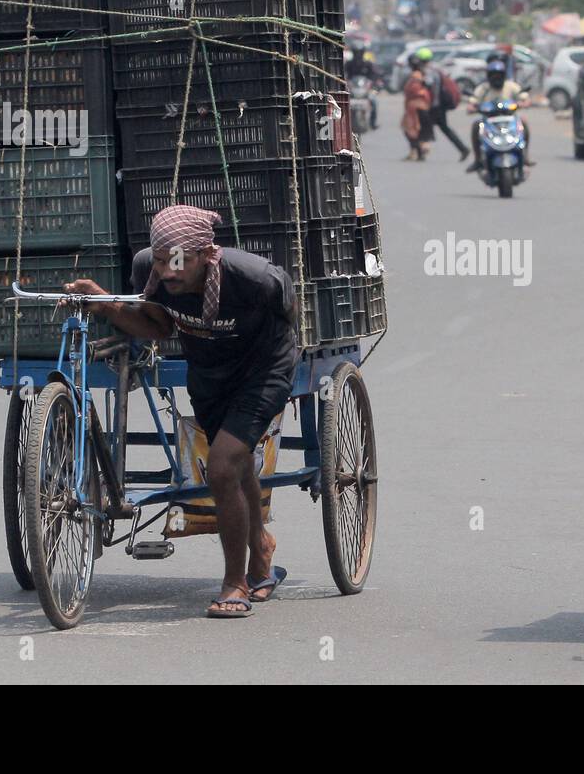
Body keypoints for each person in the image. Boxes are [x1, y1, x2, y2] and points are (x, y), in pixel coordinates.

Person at [65, 205, 299, 618]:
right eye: (160, 261)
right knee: (236, 457)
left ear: (207, 255)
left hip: (262, 371)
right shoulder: (148, 270)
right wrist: (105, 305)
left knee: (223, 466)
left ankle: (235, 583)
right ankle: (261, 545)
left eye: (178, 263)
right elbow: (159, 328)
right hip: (208, 372)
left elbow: (290, 317)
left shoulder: (256, 279)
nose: (168, 272)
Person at [466, 59, 533, 175]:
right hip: (489, 121)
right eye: (493, 75)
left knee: (524, 122)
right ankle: (477, 159)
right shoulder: (483, 88)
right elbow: (472, 102)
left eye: (499, 75)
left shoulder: (511, 86)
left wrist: (523, 103)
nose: (496, 78)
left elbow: (525, 98)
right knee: (476, 125)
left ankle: (525, 154)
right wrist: (473, 107)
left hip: (509, 119)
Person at [418, 48, 470, 161]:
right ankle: (463, 149)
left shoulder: (428, 71)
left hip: (433, 106)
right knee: (444, 129)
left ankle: (420, 152)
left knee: (423, 128)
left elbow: (429, 83)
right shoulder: (436, 68)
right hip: (440, 105)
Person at [401, 51, 434, 160]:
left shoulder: (416, 76)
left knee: (411, 130)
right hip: (422, 106)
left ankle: (418, 151)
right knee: (415, 130)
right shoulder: (423, 74)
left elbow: (413, 90)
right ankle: (417, 152)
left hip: (415, 107)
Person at [346, 44, 378, 129]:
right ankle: (345, 123)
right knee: (344, 102)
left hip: (365, 89)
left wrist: (372, 84)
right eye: (356, 53)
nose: (358, 55)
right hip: (352, 89)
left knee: (374, 102)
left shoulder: (368, 64)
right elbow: (345, 76)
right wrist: (347, 83)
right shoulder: (349, 64)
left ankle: (372, 123)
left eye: (359, 53)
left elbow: (373, 76)